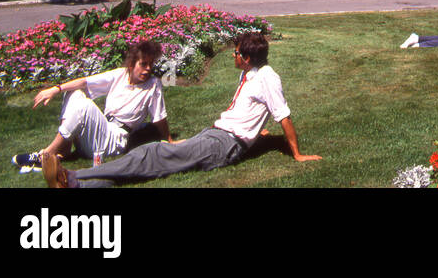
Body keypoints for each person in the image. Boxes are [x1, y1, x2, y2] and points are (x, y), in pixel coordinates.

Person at [42, 32, 319, 188]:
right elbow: (252, 112)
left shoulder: (268, 77)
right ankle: (81, 187)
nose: (232, 56)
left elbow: (283, 115)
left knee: (154, 153)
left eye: (235, 53)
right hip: (216, 135)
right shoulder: (251, 74)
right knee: (155, 161)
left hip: (222, 144)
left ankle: (73, 177)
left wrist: (297, 154)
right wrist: (255, 133)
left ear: (246, 59)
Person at [13, 40, 170, 174]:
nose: (148, 69)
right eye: (143, 64)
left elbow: (159, 117)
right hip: (100, 132)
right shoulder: (121, 75)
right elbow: (85, 82)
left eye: (150, 64)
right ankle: (65, 148)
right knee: (74, 92)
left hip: (115, 141)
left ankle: (45, 156)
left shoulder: (153, 85)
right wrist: (55, 89)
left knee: (85, 106)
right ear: (131, 64)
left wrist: (168, 139)